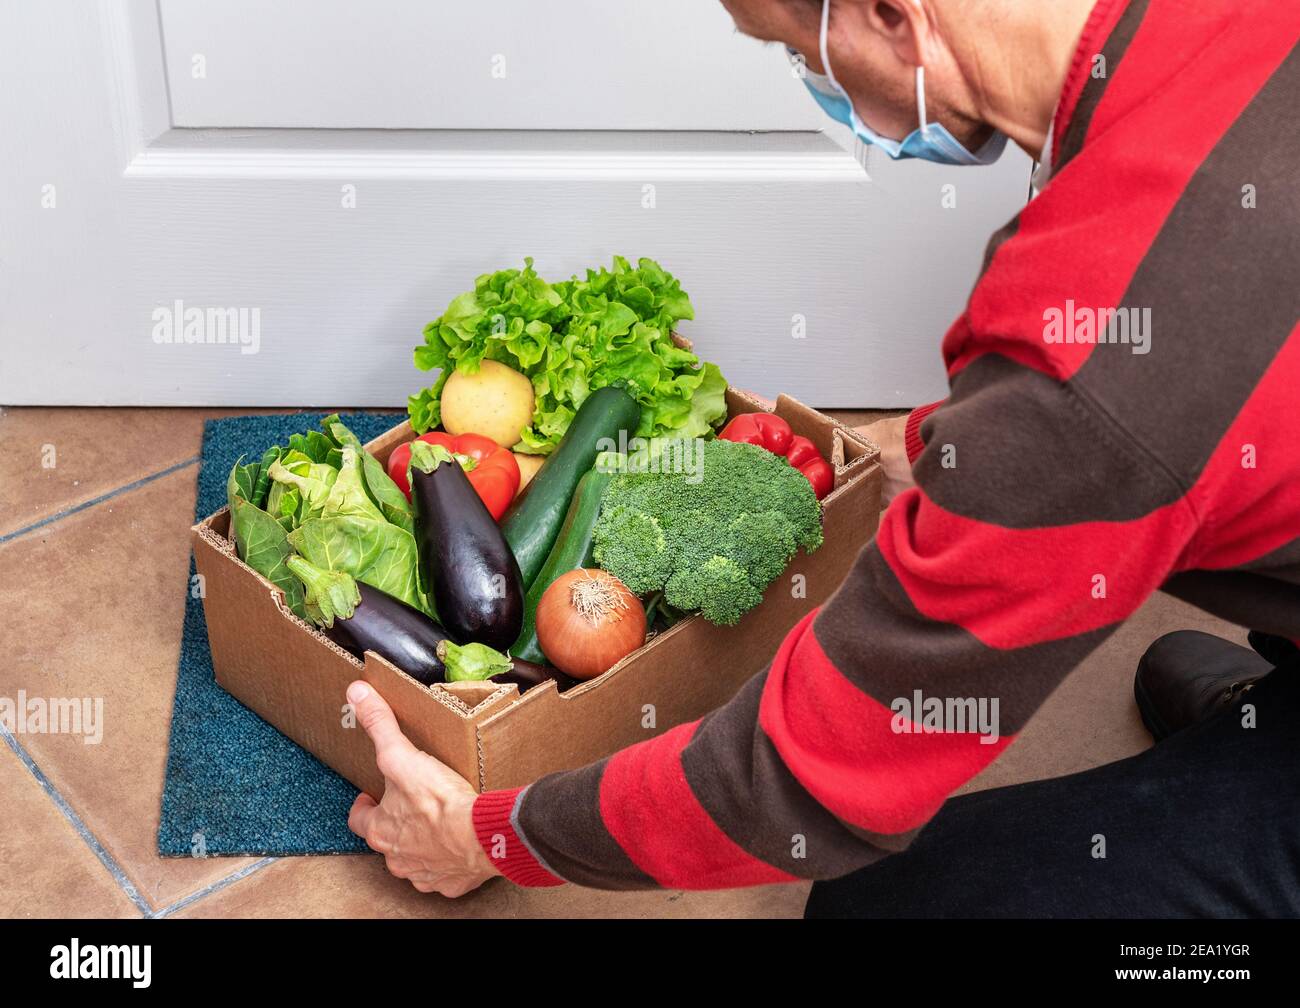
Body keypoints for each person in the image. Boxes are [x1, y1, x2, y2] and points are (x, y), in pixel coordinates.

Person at [343, 0, 1300, 915]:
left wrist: (492, 836)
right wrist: (956, 449)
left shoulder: (1089, 358)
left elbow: (807, 781)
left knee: (886, 910)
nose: (816, 85)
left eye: (794, 51)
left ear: (891, 16)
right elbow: (1190, 385)